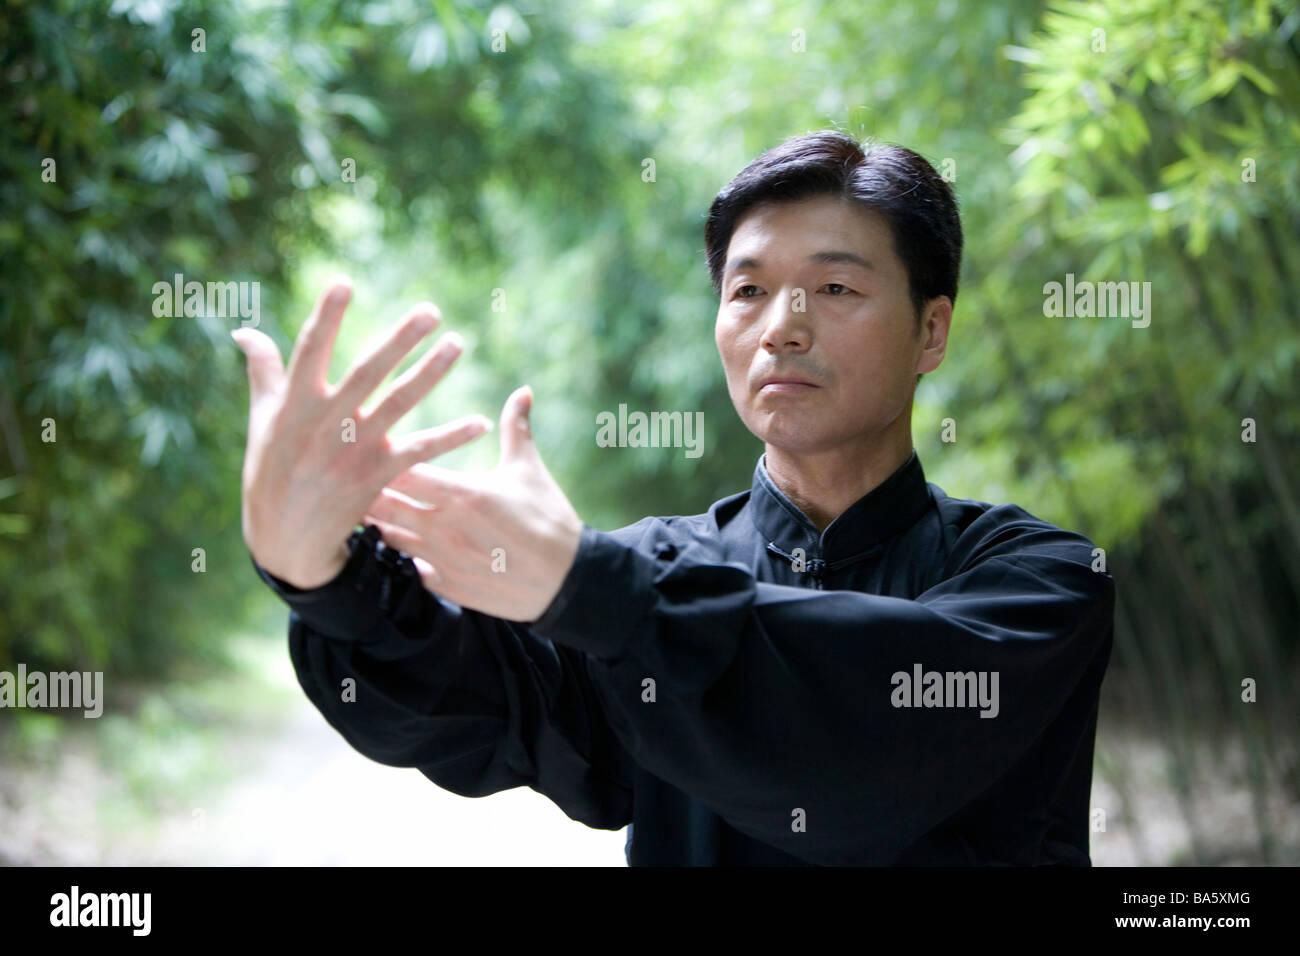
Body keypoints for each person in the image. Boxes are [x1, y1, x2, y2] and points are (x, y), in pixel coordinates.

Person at [233, 130, 1115, 865]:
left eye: (836, 287)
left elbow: (867, 738)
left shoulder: (1040, 583)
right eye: (749, 291)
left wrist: (596, 590)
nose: (783, 325)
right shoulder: (654, 575)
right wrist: (320, 576)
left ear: (932, 329)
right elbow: (483, 700)